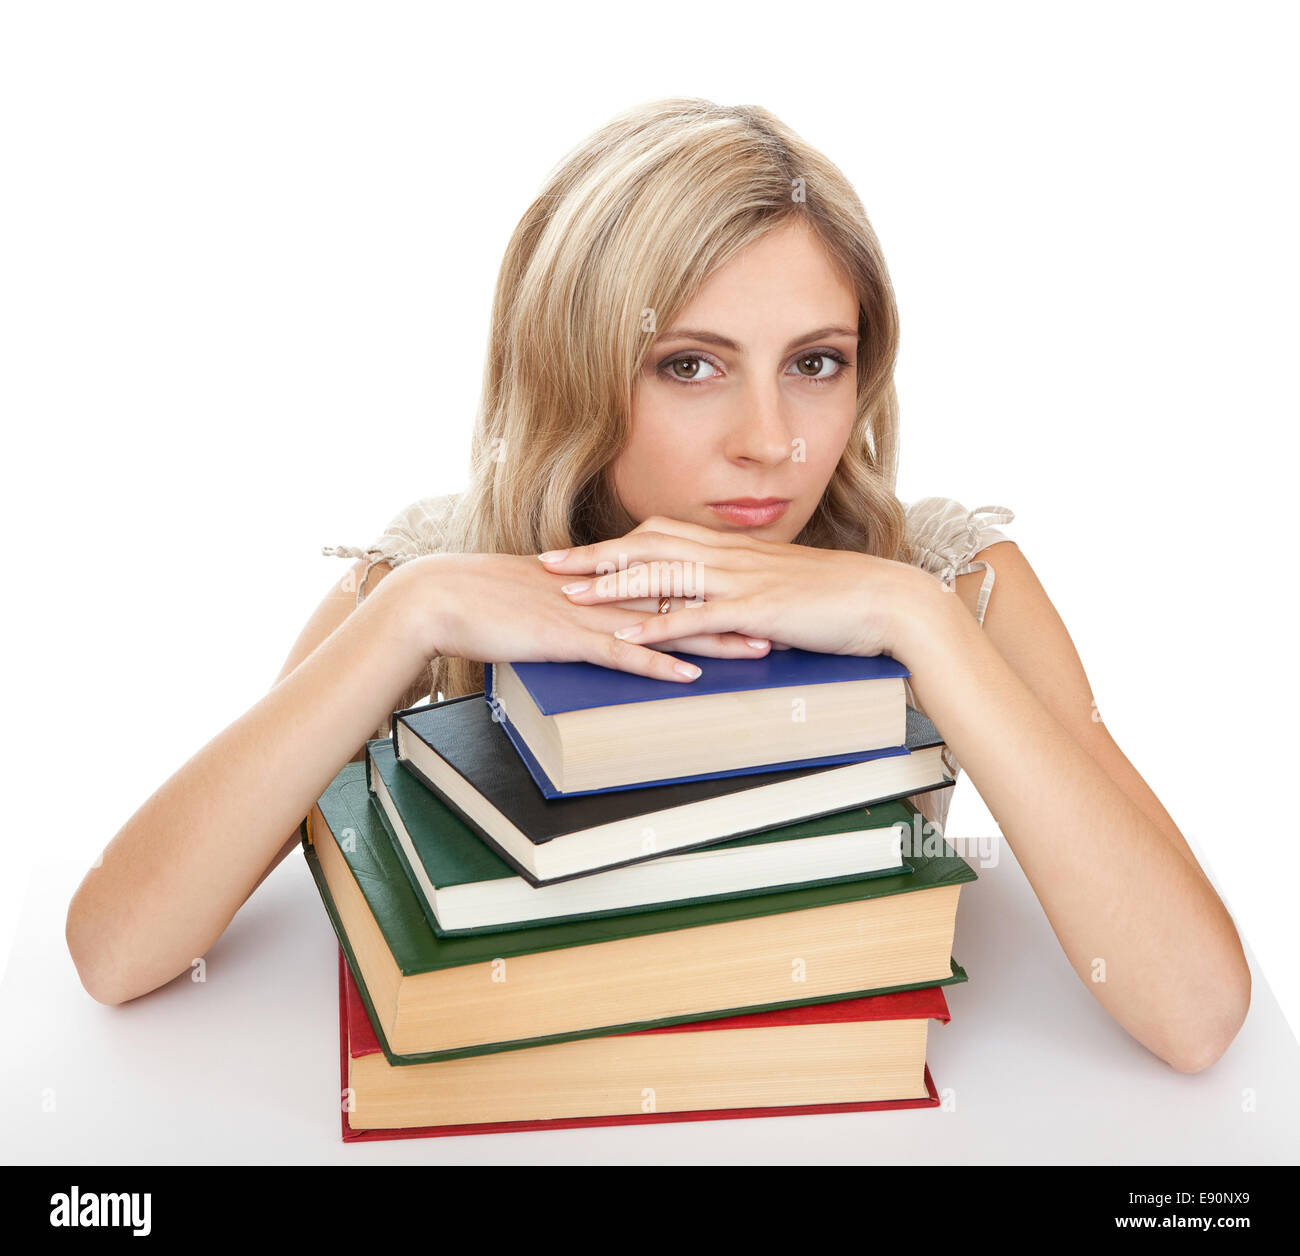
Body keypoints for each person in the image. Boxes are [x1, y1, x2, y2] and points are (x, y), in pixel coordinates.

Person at [66, 98, 1249, 1073]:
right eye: (690, 364)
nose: (771, 440)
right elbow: (121, 952)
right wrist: (411, 612)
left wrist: (909, 617)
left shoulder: (941, 573)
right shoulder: (441, 566)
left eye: (815, 363)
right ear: (574, 366)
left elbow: (1193, 1015)